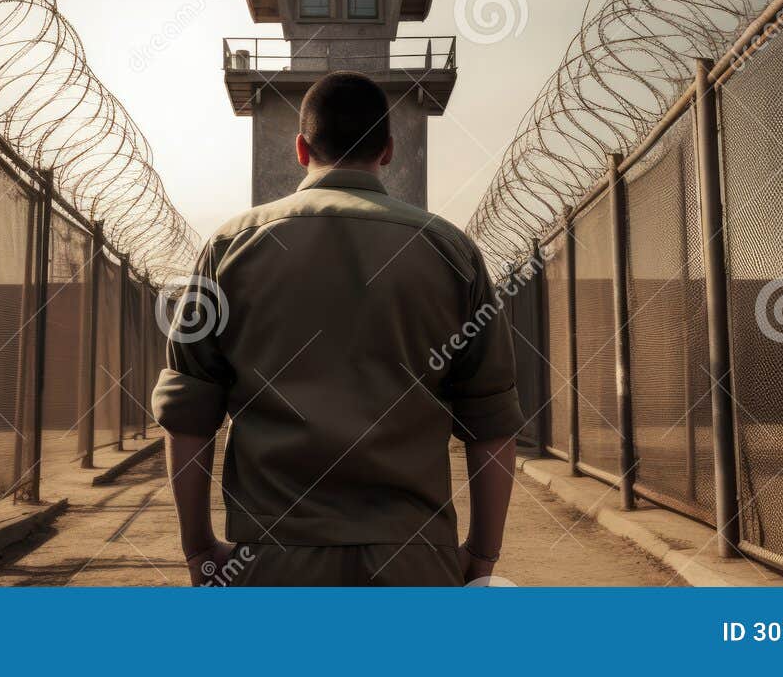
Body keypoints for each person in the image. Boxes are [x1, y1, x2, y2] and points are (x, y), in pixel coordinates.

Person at [151, 70, 523, 586]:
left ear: (302, 149)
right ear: (389, 150)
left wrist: (198, 550)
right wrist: (481, 557)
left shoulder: (230, 248)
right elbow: (492, 425)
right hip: (414, 561)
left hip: (273, 561)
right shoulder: (449, 251)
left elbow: (188, 417)